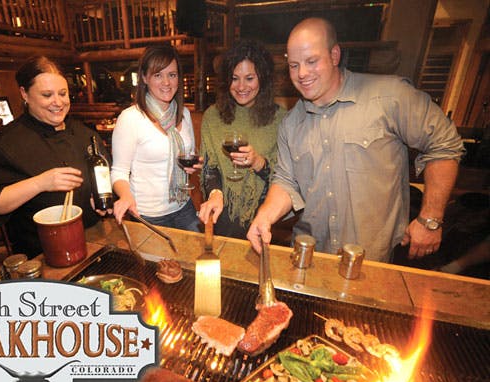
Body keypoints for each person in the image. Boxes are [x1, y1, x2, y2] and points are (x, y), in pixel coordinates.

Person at [247, 17, 465, 262]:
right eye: (294, 65)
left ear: (335, 55)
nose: (302, 73)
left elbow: (444, 145)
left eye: (311, 61)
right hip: (311, 257)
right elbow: (287, 181)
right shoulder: (290, 123)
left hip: (374, 260)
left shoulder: (390, 96)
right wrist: (265, 216)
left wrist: (430, 219)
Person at [0, 55, 110, 258]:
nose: (58, 102)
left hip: (96, 243)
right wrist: (40, 183)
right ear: (24, 94)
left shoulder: (85, 134)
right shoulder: (5, 144)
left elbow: (105, 175)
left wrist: (101, 198)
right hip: (43, 255)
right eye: (47, 95)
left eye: (63, 94)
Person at [198, 40, 286, 238]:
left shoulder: (280, 119)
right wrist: (215, 193)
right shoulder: (213, 116)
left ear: (262, 79)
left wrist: (258, 162)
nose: (241, 86)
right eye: (234, 78)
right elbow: (209, 168)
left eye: (249, 78)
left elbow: (285, 178)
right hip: (222, 211)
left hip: (264, 214)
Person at [111, 45, 201, 231]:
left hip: (183, 207)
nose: (166, 82)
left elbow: (190, 153)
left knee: (195, 259)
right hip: (147, 214)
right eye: (158, 75)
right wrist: (126, 196)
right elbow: (119, 171)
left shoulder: (183, 113)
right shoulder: (130, 118)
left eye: (172, 75)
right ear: (144, 77)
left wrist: (193, 165)